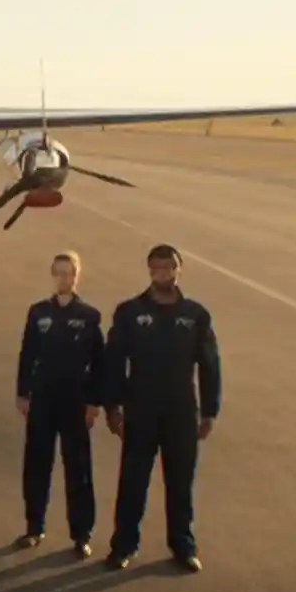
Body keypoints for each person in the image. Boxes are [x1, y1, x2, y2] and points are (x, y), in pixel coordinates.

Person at [103, 244, 220, 572]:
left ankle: (182, 544)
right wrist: (113, 406)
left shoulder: (195, 315)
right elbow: (114, 361)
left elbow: (209, 363)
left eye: (169, 268)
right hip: (140, 409)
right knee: (133, 481)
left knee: (180, 481)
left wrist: (210, 410)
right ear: (149, 271)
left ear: (178, 270)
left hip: (181, 411)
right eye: (156, 268)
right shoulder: (129, 312)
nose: (162, 274)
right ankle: (124, 545)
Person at [14, 251, 105, 558]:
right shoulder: (38, 313)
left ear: (76, 276)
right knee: (37, 464)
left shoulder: (90, 316)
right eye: (59, 273)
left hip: (75, 402)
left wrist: (94, 402)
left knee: (78, 468)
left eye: (69, 273)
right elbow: (27, 354)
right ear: (52, 275)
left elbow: (99, 363)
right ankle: (33, 526)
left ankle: (81, 533)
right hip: (43, 399)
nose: (64, 278)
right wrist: (23, 393)